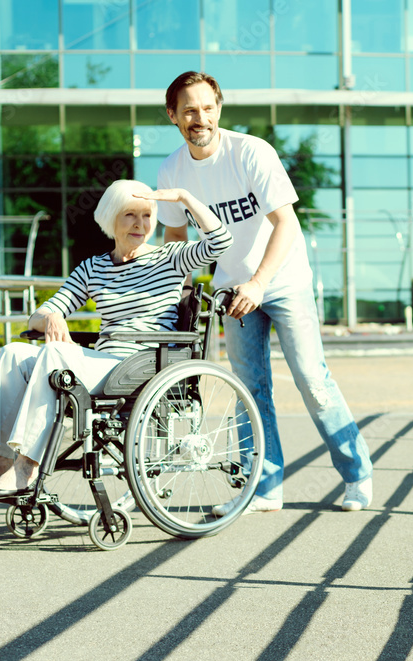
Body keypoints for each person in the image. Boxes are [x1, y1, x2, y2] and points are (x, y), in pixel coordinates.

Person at [156, 71, 373, 515]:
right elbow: (176, 239)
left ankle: (358, 475)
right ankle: (266, 488)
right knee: (250, 389)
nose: (201, 117)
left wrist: (259, 282)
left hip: (284, 281)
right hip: (232, 291)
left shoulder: (251, 152)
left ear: (219, 108)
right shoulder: (172, 169)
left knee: (312, 379)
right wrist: (171, 294)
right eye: (190, 110)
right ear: (173, 115)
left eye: (208, 107)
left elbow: (287, 224)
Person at [0, 179, 232, 498]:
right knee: (14, 352)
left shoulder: (170, 258)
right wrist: (51, 315)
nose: (140, 224)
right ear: (111, 218)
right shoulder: (93, 268)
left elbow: (221, 241)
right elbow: (37, 318)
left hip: (144, 364)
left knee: (54, 354)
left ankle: (26, 466)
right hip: (104, 362)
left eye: (147, 215)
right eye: (130, 215)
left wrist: (184, 197)